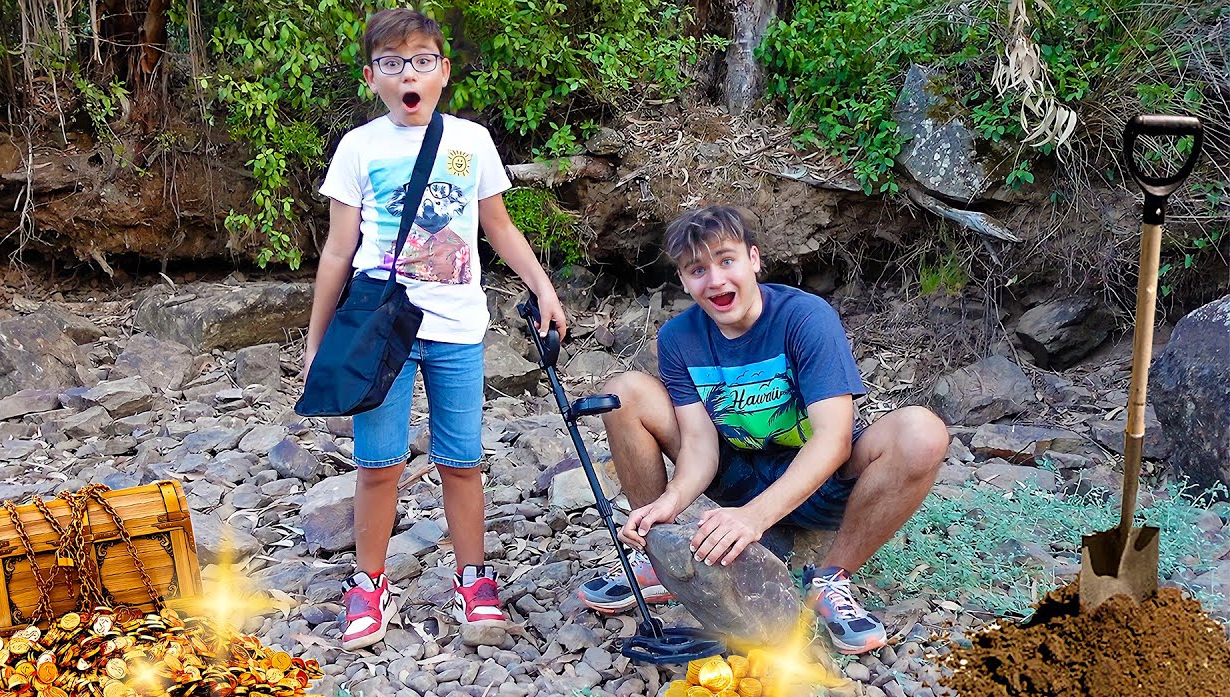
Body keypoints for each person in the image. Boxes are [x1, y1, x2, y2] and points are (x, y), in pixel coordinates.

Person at [305, 8, 568, 652]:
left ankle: (472, 578)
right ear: (372, 77)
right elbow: (339, 250)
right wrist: (317, 340)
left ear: (443, 72)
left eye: (421, 61)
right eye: (393, 65)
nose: (408, 75)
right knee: (378, 464)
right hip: (379, 328)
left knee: (462, 461)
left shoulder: (470, 141)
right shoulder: (359, 147)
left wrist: (543, 285)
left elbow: (497, 225)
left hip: (457, 324)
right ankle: (368, 585)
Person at [577, 206, 948, 655]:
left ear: (754, 259)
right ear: (683, 279)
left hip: (823, 483)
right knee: (624, 392)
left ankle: (831, 580)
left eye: (726, 260)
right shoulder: (679, 337)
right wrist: (667, 504)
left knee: (922, 432)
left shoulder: (805, 318)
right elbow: (698, 443)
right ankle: (660, 555)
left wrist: (754, 518)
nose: (714, 281)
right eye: (697, 269)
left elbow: (832, 438)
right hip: (733, 473)